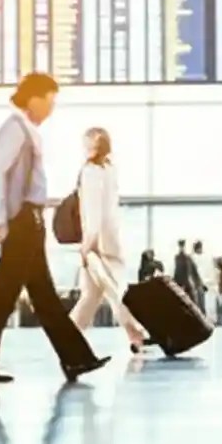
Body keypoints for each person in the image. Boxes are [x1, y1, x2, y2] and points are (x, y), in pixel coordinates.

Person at [0, 73, 107, 387]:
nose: (51, 109)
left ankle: (76, 358)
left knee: (42, 295)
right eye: (50, 101)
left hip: (30, 220)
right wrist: (0, 220)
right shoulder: (14, 129)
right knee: (3, 295)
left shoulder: (25, 129)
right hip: (21, 221)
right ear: (33, 99)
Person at [68, 127, 149, 352]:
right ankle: (133, 332)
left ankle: (69, 337)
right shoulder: (110, 170)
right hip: (112, 238)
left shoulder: (89, 172)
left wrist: (87, 245)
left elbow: (93, 213)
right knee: (95, 294)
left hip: (97, 243)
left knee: (110, 290)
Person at [191, 240, 217, 321]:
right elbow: (210, 271)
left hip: (197, 283)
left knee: (198, 302)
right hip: (205, 283)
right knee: (204, 303)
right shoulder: (206, 258)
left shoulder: (192, 258)